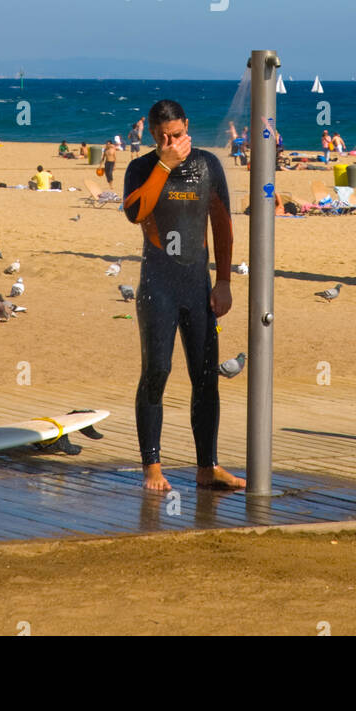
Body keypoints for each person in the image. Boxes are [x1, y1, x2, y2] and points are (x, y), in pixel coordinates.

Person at [123, 98, 243, 493]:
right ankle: (152, 467)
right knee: (156, 373)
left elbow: (223, 226)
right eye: (161, 137)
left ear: (186, 126)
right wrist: (164, 164)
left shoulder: (208, 165)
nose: (170, 142)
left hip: (197, 286)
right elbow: (136, 213)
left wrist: (223, 281)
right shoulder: (142, 167)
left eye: (176, 135)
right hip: (158, 286)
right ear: (153, 135)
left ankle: (208, 466)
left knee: (206, 378)